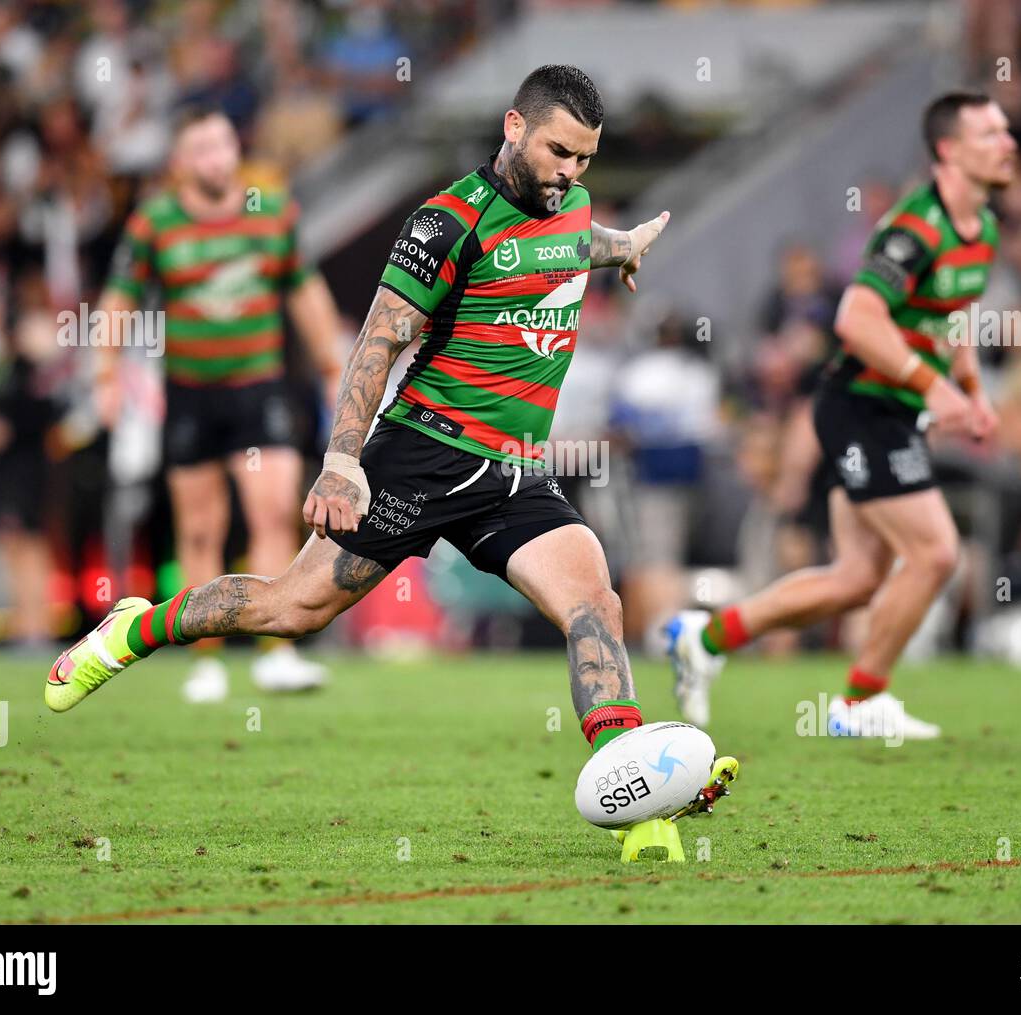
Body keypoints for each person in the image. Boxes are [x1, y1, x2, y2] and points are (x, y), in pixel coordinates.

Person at [47, 66, 692, 795]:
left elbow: (573, 241)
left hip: (513, 473)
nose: (569, 172)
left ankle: (634, 792)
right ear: (514, 127)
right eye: (557, 151)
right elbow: (376, 344)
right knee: (291, 608)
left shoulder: (569, 202)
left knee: (595, 603)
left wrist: (624, 245)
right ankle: (137, 628)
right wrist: (341, 461)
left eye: (584, 158)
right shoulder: (446, 222)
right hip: (422, 454)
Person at [666, 91, 1016, 737]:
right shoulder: (915, 230)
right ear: (949, 150)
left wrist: (968, 384)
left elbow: (956, 311)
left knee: (856, 579)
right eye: (991, 132)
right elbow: (855, 318)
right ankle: (858, 704)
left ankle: (706, 636)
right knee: (937, 553)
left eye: (1005, 130)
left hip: (892, 412)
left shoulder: (983, 228)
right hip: (860, 408)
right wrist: (930, 385)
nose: (1008, 141)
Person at [97, 105, 346, 701]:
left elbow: (304, 291)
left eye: (223, 144)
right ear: (181, 162)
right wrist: (105, 373)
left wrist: (334, 364)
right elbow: (120, 299)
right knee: (200, 528)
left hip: (259, 390)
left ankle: (274, 650)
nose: (216, 158)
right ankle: (205, 659)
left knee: (272, 511)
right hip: (189, 394)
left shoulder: (272, 213)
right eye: (202, 148)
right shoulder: (154, 223)